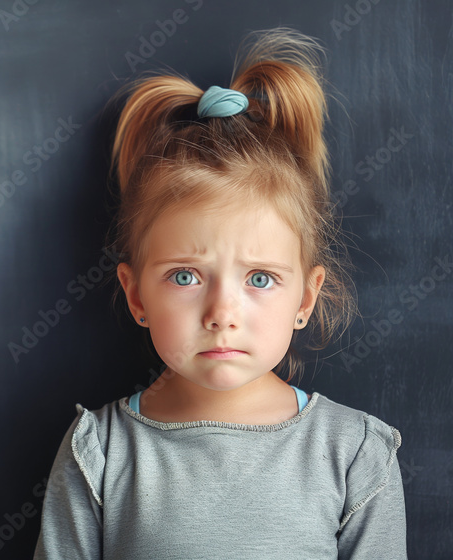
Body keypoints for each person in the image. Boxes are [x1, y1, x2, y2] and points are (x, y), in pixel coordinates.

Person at [33, 27, 407, 559]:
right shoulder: (100, 453)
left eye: (260, 279)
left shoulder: (354, 456)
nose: (221, 314)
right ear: (136, 296)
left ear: (305, 299)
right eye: (185, 276)